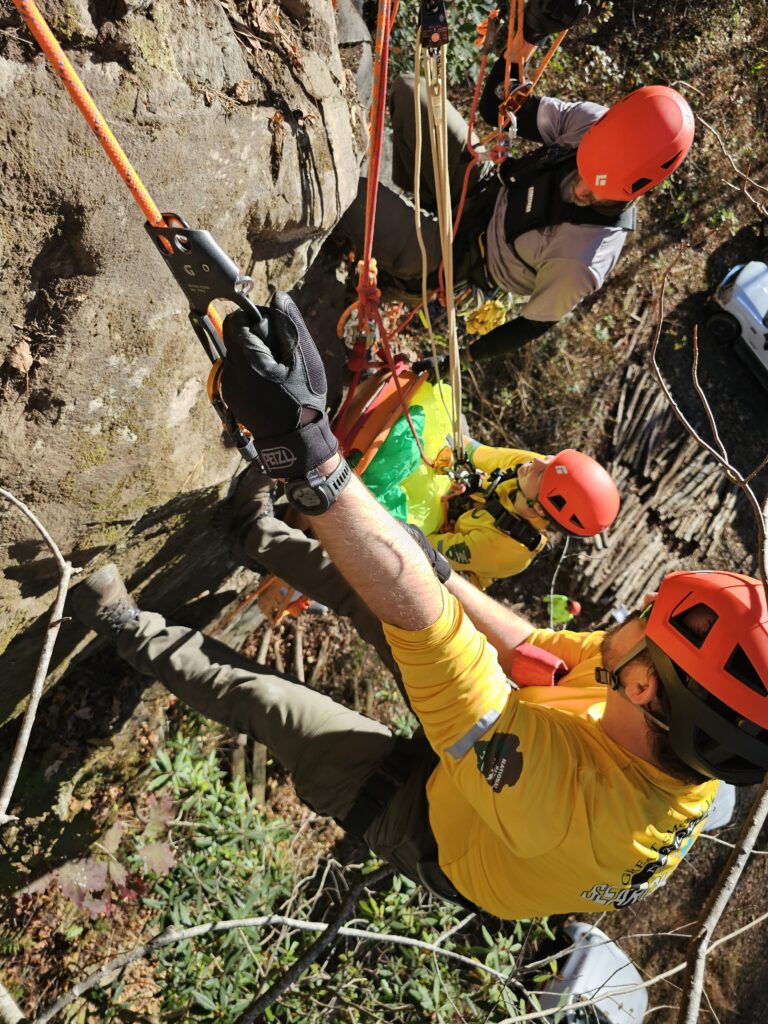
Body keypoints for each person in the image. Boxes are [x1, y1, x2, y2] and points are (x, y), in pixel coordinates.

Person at [71, 293, 768, 921]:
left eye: (647, 619)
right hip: (512, 768)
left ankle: (131, 630)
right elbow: (531, 649)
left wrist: (311, 457)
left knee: (272, 705)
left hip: (429, 826)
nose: (640, 603)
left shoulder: (573, 813)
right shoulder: (672, 731)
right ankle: (256, 531)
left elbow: (431, 633)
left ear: (645, 684)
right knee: (373, 584)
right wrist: (438, 569)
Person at [336, 2, 694, 365]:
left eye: (596, 189)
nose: (581, 187)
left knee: (350, 197)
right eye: (584, 167)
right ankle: (415, 206)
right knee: (410, 91)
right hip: (483, 190)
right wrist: (529, 37)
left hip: (459, 263)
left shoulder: (583, 260)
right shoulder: (590, 123)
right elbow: (500, 108)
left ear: (635, 189)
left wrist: (454, 362)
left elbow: (532, 325)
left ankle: (402, 275)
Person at [428, 440, 619, 589]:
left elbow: (419, 548)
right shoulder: (531, 469)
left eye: (543, 473)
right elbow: (470, 448)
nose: (537, 461)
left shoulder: (503, 548)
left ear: (539, 509)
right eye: (550, 459)